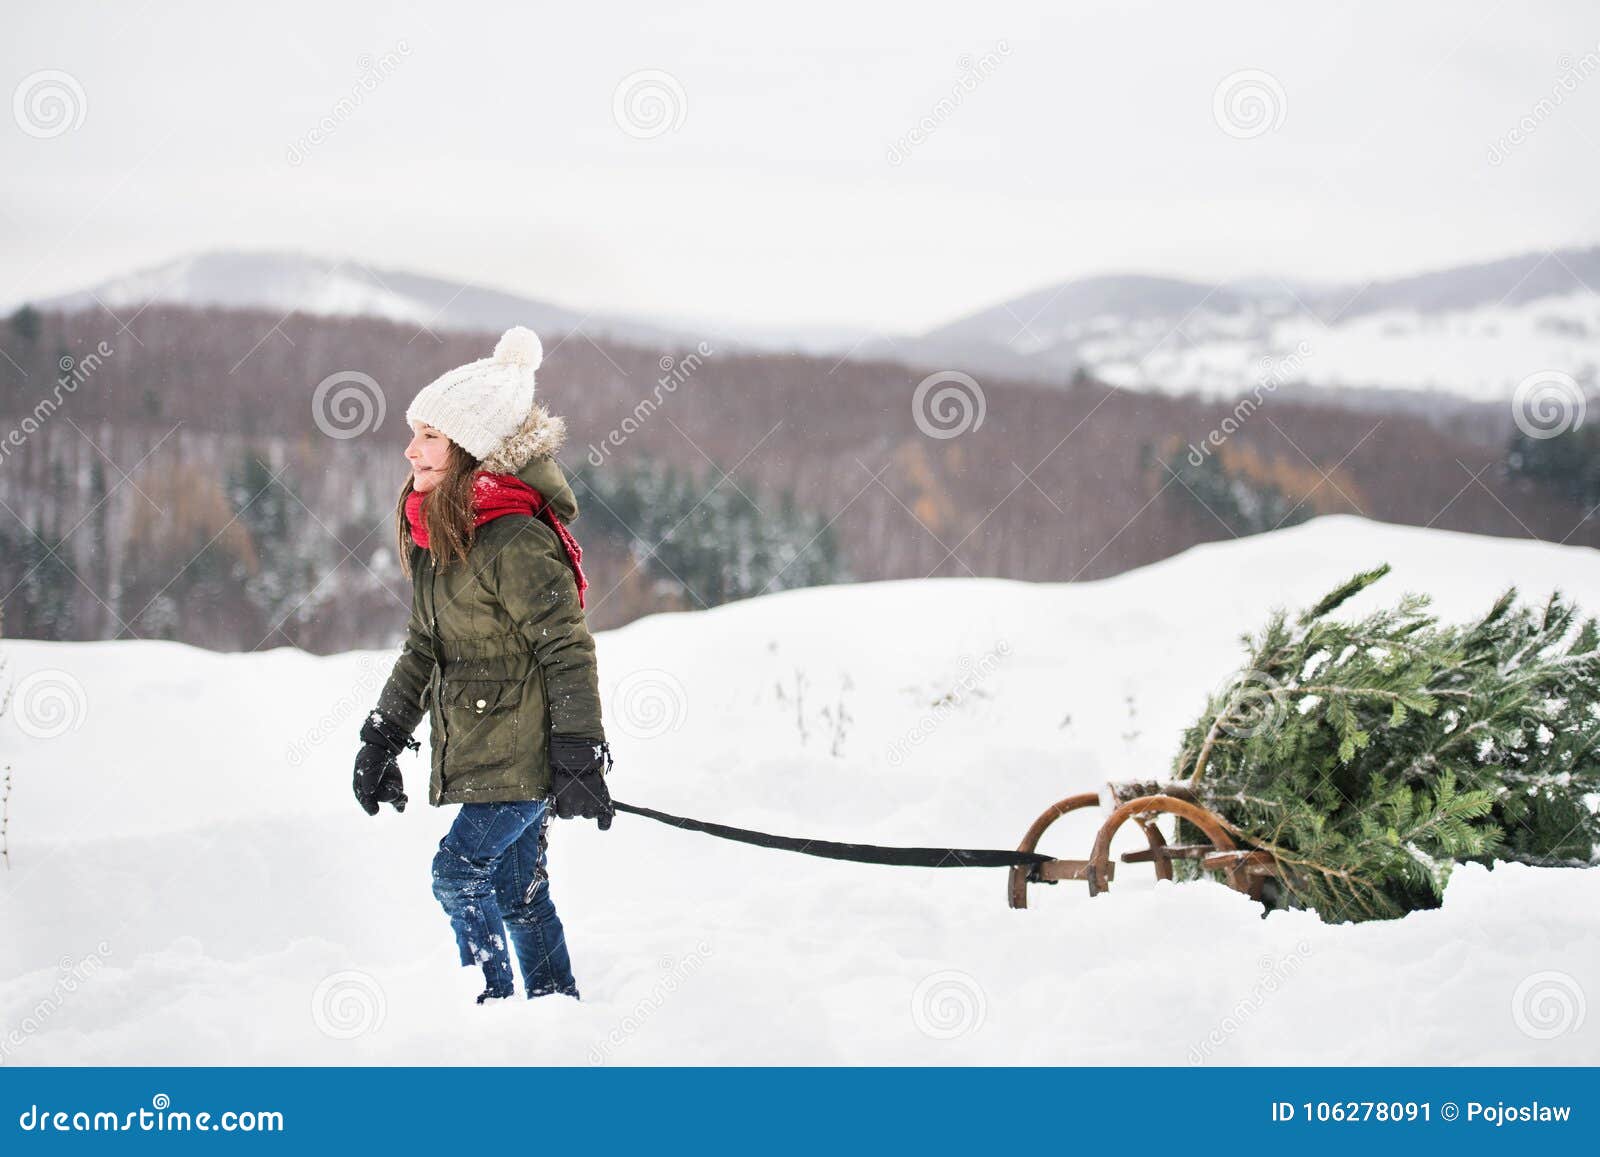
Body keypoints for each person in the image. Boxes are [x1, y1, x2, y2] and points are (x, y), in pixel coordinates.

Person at [351, 325, 615, 1004]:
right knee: (518, 894)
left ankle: (490, 1014)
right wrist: (383, 734)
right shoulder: (438, 534)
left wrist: (579, 748)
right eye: (415, 432)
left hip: (525, 756)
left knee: (458, 872)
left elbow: (566, 645)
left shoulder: (516, 538)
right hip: (485, 750)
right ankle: (556, 1018)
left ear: (471, 447)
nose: (412, 448)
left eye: (431, 435)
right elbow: (422, 647)